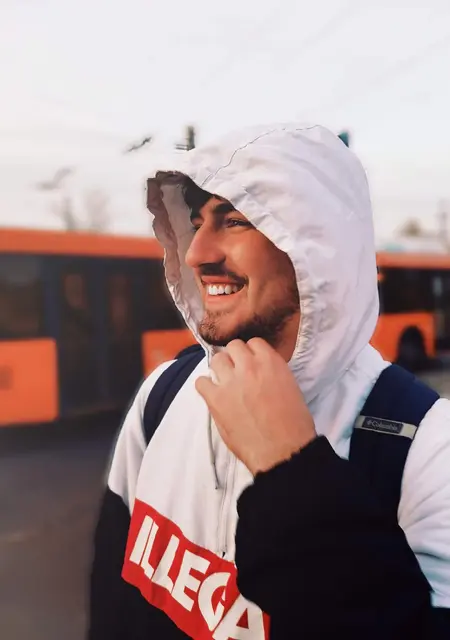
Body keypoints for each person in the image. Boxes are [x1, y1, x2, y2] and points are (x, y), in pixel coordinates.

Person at [88, 123, 450, 639]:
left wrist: (292, 470)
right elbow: (112, 590)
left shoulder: (427, 447)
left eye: (235, 220)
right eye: (197, 223)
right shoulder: (164, 392)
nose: (196, 253)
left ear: (317, 247)